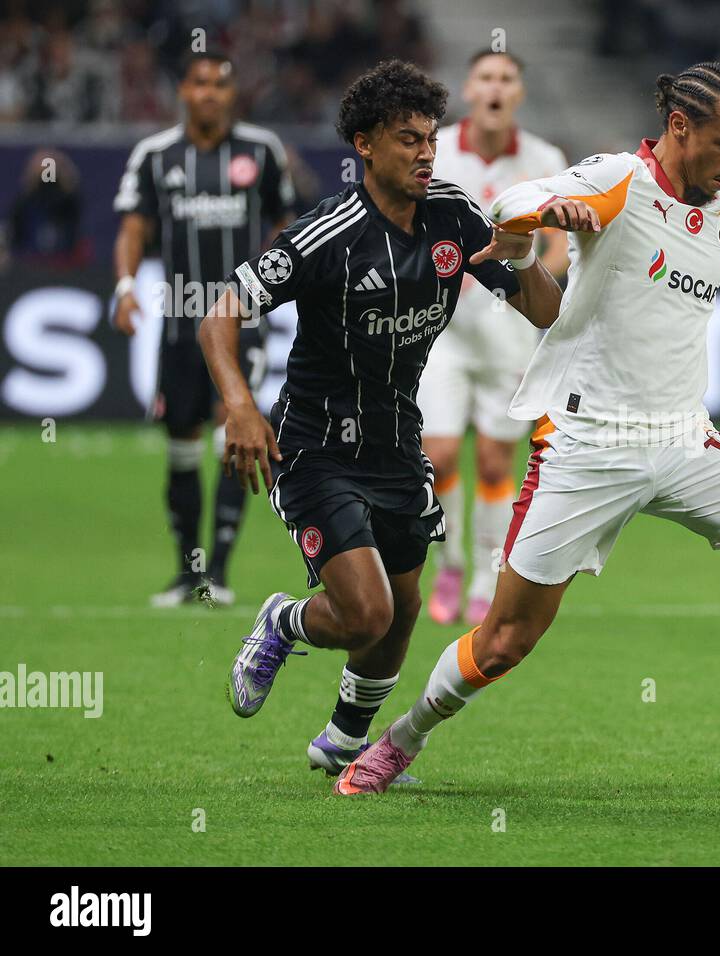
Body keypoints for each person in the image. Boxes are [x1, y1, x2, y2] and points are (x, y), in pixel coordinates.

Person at [331, 62, 720, 796]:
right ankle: (402, 739)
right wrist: (546, 215)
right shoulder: (620, 179)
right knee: (505, 642)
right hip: (587, 446)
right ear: (680, 128)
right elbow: (516, 200)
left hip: (686, 442)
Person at [198, 59, 562, 778]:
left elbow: (546, 312)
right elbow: (220, 313)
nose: (426, 152)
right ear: (364, 145)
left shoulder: (457, 217)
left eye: (430, 138)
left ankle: (342, 740)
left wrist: (521, 256)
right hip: (314, 448)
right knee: (364, 614)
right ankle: (283, 620)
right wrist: (239, 406)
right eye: (407, 140)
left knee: (400, 611)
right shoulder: (324, 233)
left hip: (398, 445)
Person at [112, 50, 295, 607]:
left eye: (220, 83)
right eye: (200, 83)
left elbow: (285, 223)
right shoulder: (156, 154)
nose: (211, 92)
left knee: (233, 432)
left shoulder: (262, 151)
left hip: (242, 320)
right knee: (182, 447)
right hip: (178, 323)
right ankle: (186, 571)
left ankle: (218, 571)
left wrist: (270, 284)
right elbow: (134, 227)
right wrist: (124, 288)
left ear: (231, 93)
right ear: (184, 92)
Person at [417, 49, 569, 627]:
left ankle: (486, 574)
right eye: (486, 77)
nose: (496, 87)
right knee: (441, 453)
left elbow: (558, 241)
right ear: (469, 89)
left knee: (493, 458)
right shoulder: (439, 152)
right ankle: (450, 563)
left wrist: (534, 272)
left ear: (519, 93)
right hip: (444, 330)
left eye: (507, 78)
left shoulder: (544, 159)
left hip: (509, 330)